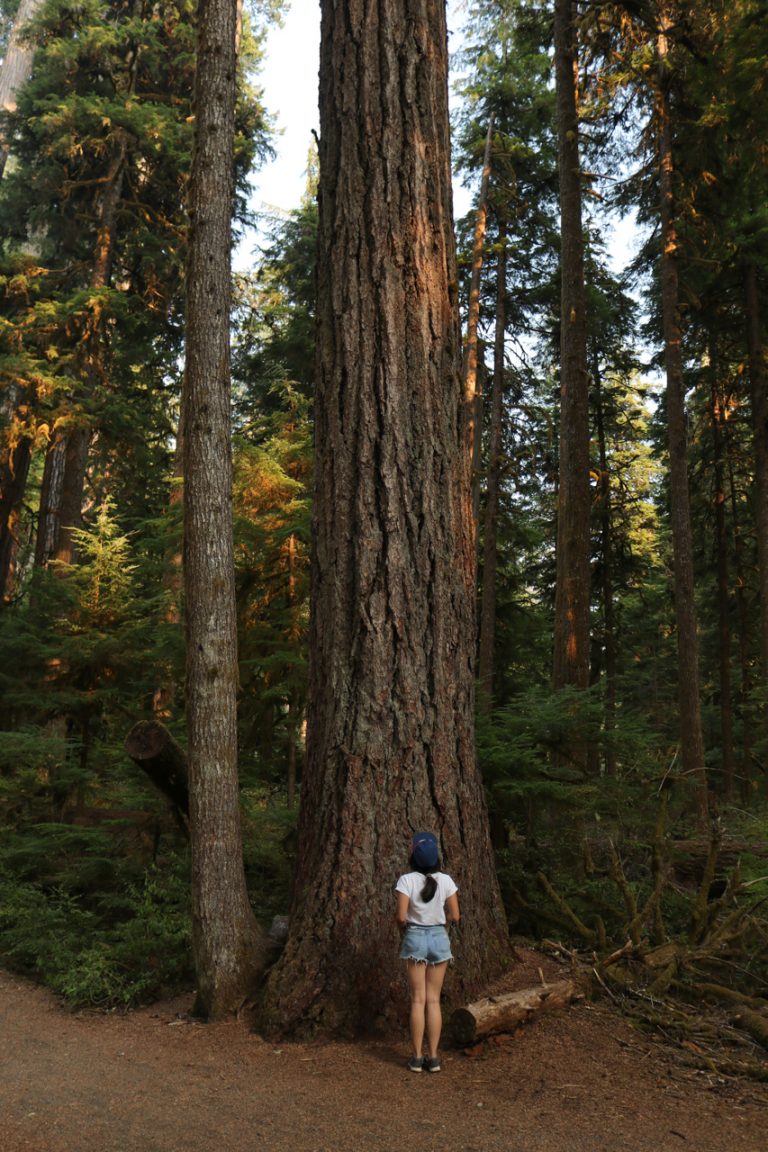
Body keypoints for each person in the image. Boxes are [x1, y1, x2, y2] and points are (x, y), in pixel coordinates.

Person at [395, 831, 460, 1073]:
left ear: (412, 855)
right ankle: (433, 1058)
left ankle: (416, 1057)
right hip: (439, 938)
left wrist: (405, 926)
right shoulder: (446, 881)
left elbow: (401, 917)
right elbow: (455, 915)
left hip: (415, 938)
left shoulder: (406, 880)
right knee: (433, 1000)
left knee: (418, 999)